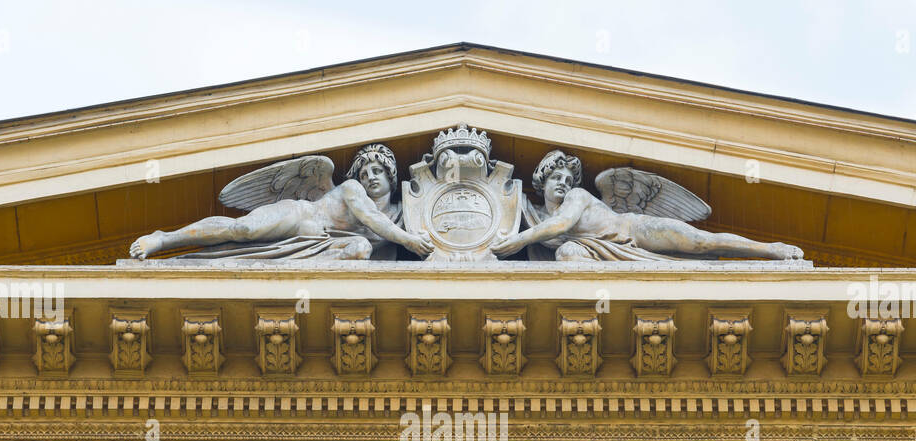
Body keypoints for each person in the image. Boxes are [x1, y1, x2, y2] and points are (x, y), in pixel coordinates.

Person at [129, 144, 433, 261]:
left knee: (361, 250)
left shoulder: (398, 213)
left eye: (378, 171)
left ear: (392, 176)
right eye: (365, 172)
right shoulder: (353, 189)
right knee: (242, 230)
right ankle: (164, 238)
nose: (370, 177)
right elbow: (370, 219)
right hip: (301, 217)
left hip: (324, 245)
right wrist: (409, 241)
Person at [491, 149, 803, 262]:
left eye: (567, 177)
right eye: (554, 177)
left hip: (636, 230)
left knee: (702, 242)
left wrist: (515, 241)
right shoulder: (536, 217)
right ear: (541, 183)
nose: (563, 182)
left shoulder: (576, 198)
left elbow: (559, 226)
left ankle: (771, 249)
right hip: (607, 250)